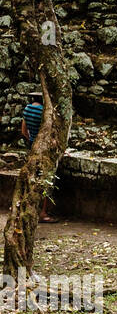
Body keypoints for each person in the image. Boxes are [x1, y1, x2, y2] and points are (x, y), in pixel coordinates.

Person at [18, 95, 57, 223]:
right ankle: (43, 212)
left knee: (32, 180)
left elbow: (24, 131)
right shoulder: (45, 112)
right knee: (45, 182)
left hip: (32, 148)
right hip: (44, 150)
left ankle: (24, 210)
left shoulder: (27, 109)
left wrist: (32, 140)